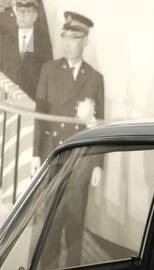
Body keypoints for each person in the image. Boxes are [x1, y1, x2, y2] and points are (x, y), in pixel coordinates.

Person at [33, 10, 101, 162]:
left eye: (74, 37)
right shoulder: (49, 70)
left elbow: (99, 128)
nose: (67, 43)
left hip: (79, 156)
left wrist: (97, 165)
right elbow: (39, 115)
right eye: (64, 36)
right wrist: (35, 154)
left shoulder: (94, 78)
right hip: (51, 152)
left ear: (85, 41)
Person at [0, 0, 46, 98]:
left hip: (29, 100)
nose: (22, 15)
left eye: (27, 11)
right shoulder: (5, 40)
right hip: (7, 98)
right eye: (20, 11)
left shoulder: (42, 44)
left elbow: (44, 78)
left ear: (35, 16)